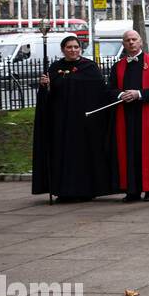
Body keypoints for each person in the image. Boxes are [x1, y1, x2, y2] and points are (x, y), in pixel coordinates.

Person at [32, 35, 112, 202]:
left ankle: (86, 190)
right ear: (63, 49)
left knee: (83, 157)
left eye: (76, 47)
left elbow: (100, 93)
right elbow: (47, 98)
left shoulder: (89, 67)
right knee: (63, 157)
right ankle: (64, 191)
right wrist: (44, 86)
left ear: (80, 49)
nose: (73, 50)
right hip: (61, 122)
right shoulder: (54, 68)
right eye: (69, 47)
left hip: (84, 123)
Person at [107, 29, 149, 202]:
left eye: (134, 39)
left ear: (141, 42)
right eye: (127, 40)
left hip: (147, 115)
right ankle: (131, 190)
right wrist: (120, 95)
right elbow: (109, 89)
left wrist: (139, 94)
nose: (131, 43)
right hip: (125, 116)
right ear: (123, 44)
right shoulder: (117, 66)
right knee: (128, 152)